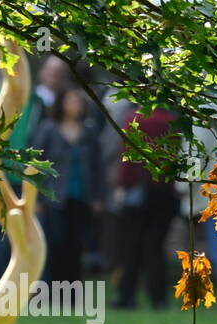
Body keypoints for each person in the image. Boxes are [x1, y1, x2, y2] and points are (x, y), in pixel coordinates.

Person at [32, 88, 106, 283]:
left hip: (82, 196)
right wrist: (37, 198)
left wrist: (98, 197)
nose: (74, 105)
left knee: (77, 245)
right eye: (70, 100)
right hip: (54, 197)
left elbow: (97, 166)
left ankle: (73, 293)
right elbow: (37, 164)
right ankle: (52, 291)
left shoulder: (89, 130)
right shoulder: (49, 128)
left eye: (78, 101)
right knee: (56, 243)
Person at [114, 106, 179, 309]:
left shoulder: (134, 119)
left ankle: (127, 296)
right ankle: (158, 298)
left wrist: (123, 184)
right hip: (165, 189)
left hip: (139, 188)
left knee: (132, 246)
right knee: (156, 246)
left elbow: (128, 156)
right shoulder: (172, 121)